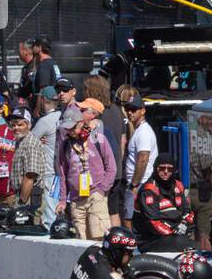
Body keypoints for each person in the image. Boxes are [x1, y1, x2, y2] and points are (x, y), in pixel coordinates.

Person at [56, 106, 116, 240]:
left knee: (99, 238)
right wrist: (62, 200)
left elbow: (111, 167)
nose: (70, 131)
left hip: (96, 196)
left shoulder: (98, 139)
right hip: (76, 200)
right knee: (80, 242)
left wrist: (102, 190)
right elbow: (63, 174)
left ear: (81, 122)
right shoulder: (65, 145)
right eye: (67, 128)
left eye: (73, 127)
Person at [132, 154, 197, 252]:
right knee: (182, 242)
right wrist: (173, 231)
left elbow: (188, 212)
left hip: (174, 233)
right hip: (150, 239)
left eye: (169, 169)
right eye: (162, 168)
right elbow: (152, 222)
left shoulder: (178, 186)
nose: (166, 172)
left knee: (194, 241)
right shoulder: (149, 190)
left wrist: (184, 223)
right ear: (156, 168)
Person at [84, 75, 124, 224]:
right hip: (117, 168)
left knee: (97, 212)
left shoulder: (92, 113)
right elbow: (123, 140)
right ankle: (116, 241)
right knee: (113, 211)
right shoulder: (116, 110)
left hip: (99, 171)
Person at [122, 94, 157, 220]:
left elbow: (143, 159)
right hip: (138, 183)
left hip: (141, 184)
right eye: (127, 109)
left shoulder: (144, 132)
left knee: (128, 219)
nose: (130, 112)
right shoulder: (139, 130)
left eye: (134, 109)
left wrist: (134, 185)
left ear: (142, 110)